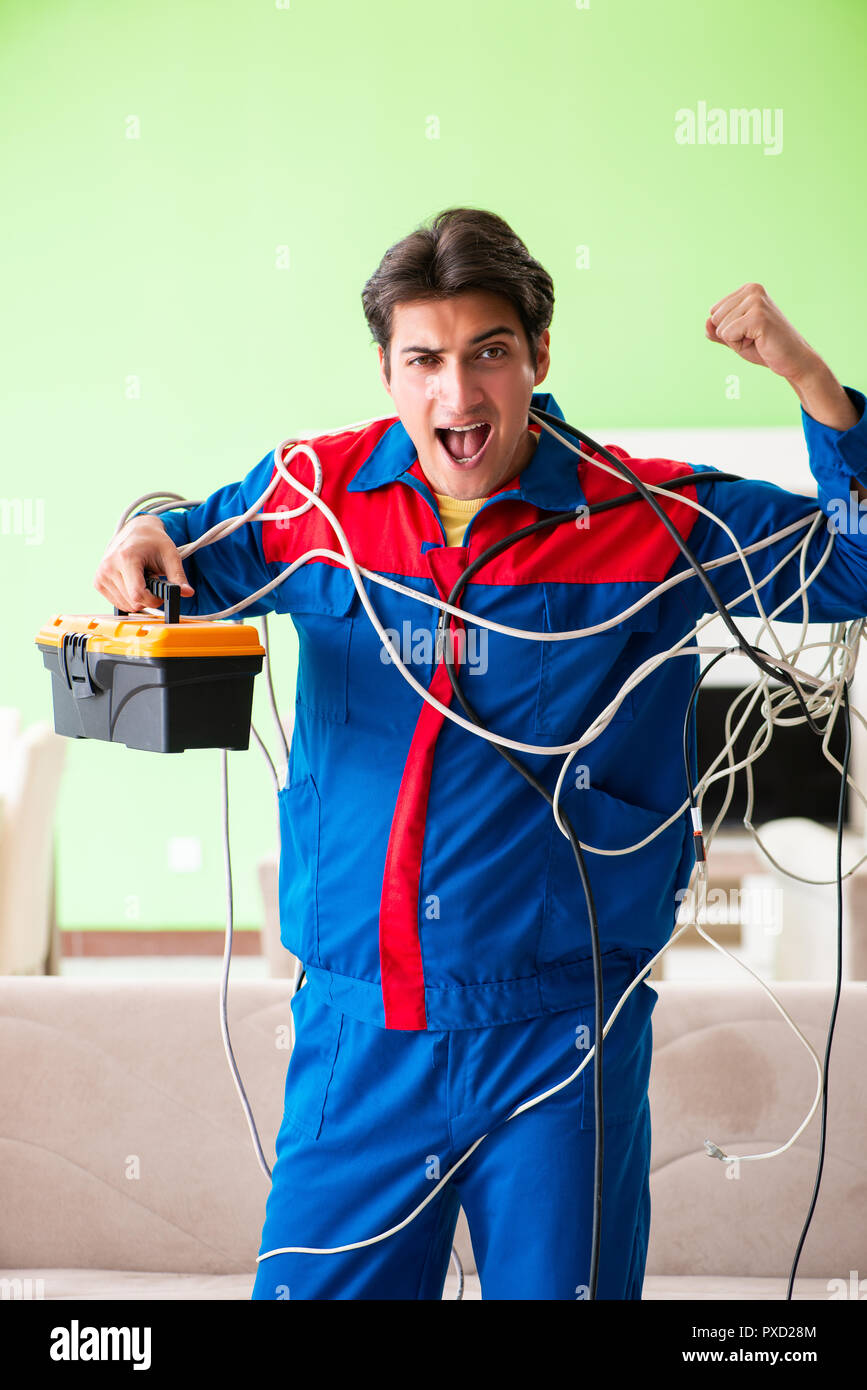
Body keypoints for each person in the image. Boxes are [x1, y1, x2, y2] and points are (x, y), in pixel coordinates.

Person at [93, 207, 867, 1300]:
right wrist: (140, 536)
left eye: (489, 354)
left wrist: (811, 382)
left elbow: (854, 567)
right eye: (426, 361)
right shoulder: (315, 497)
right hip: (361, 1031)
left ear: (539, 356)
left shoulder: (646, 515)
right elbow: (179, 545)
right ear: (388, 370)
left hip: (561, 1040)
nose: (458, 397)